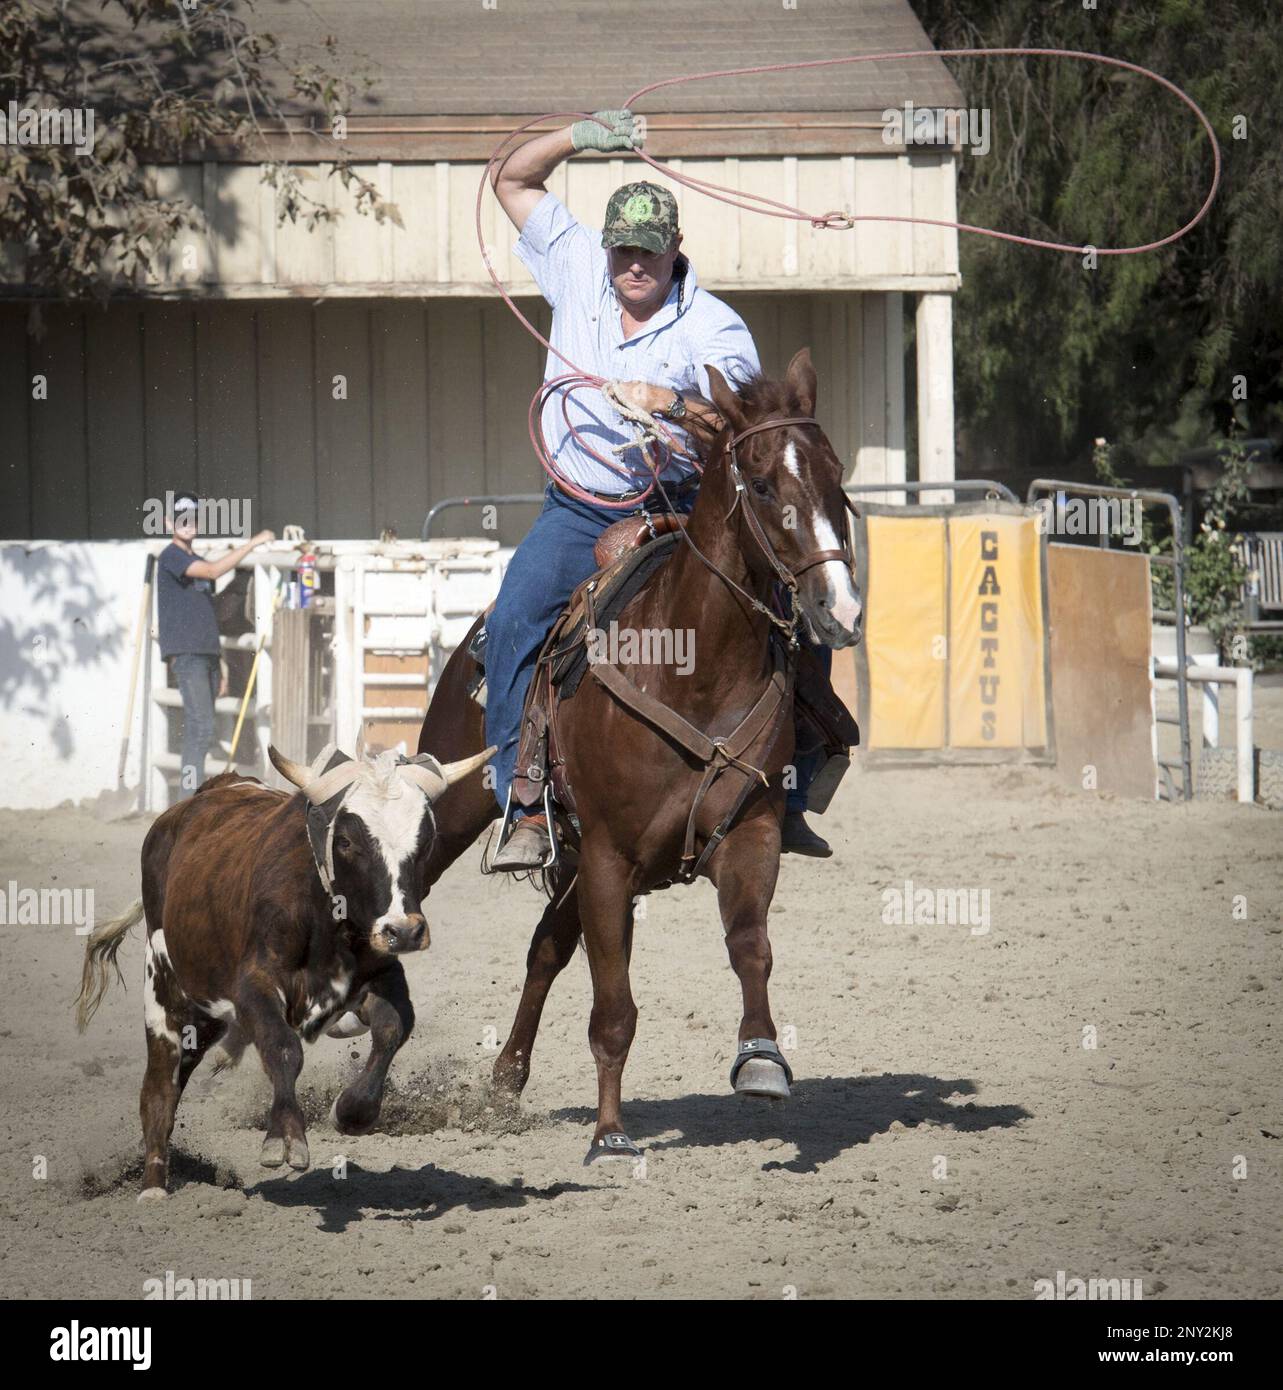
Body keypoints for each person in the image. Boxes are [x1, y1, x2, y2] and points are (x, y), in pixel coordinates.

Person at [486, 109, 833, 869]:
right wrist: (577, 135)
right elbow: (510, 176)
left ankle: (796, 783)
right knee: (514, 617)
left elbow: (748, 428)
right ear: (606, 248)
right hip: (579, 507)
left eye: (648, 250)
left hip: (681, 505)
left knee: (797, 597)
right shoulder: (576, 266)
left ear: (676, 250)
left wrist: (669, 402)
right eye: (623, 249)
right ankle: (522, 798)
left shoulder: (714, 329)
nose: (632, 263)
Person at [156, 492, 274, 795]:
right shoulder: (172, 556)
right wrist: (252, 543)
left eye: (192, 517)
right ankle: (186, 801)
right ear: (169, 522)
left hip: (206, 654)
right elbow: (212, 571)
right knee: (201, 727)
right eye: (180, 517)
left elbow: (206, 610)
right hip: (188, 654)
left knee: (200, 728)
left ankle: (189, 797)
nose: (187, 523)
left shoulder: (194, 559)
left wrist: (219, 661)